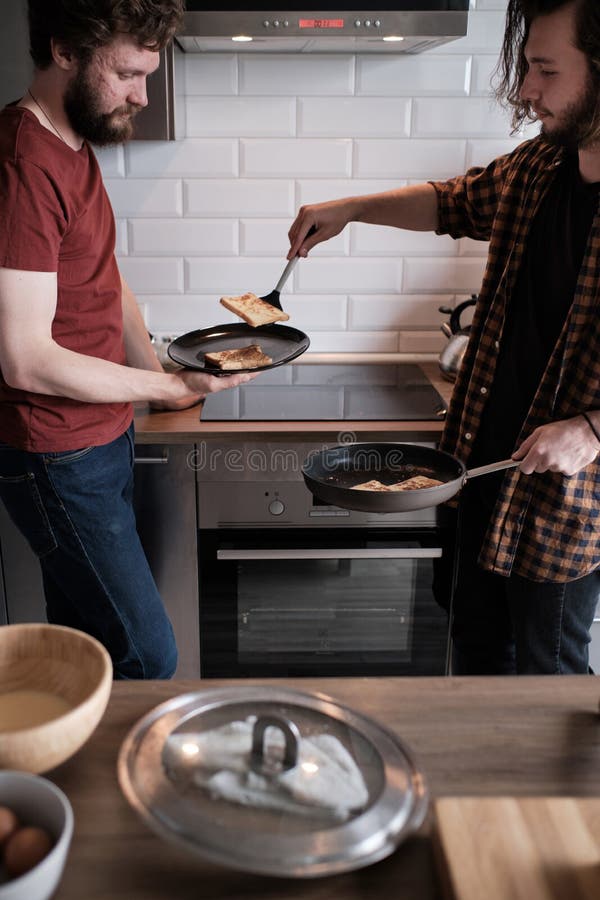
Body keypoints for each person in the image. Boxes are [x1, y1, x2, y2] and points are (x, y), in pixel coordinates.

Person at [287, 0, 600, 675]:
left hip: (557, 508)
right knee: (474, 653)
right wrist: (354, 209)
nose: (526, 90)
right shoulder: (538, 169)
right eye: (525, 66)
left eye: (545, 69)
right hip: (475, 473)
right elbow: (454, 202)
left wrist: (592, 429)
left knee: (547, 678)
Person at [0, 0, 256, 679]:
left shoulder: (73, 141)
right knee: (149, 654)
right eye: (127, 73)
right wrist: (167, 384)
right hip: (56, 452)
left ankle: (82, 779)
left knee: (91, 648)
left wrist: (162, 387)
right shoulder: (23, 168)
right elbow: (24, 359)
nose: (143, 94)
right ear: (63, 51)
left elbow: (105, 281)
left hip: (101, 436)